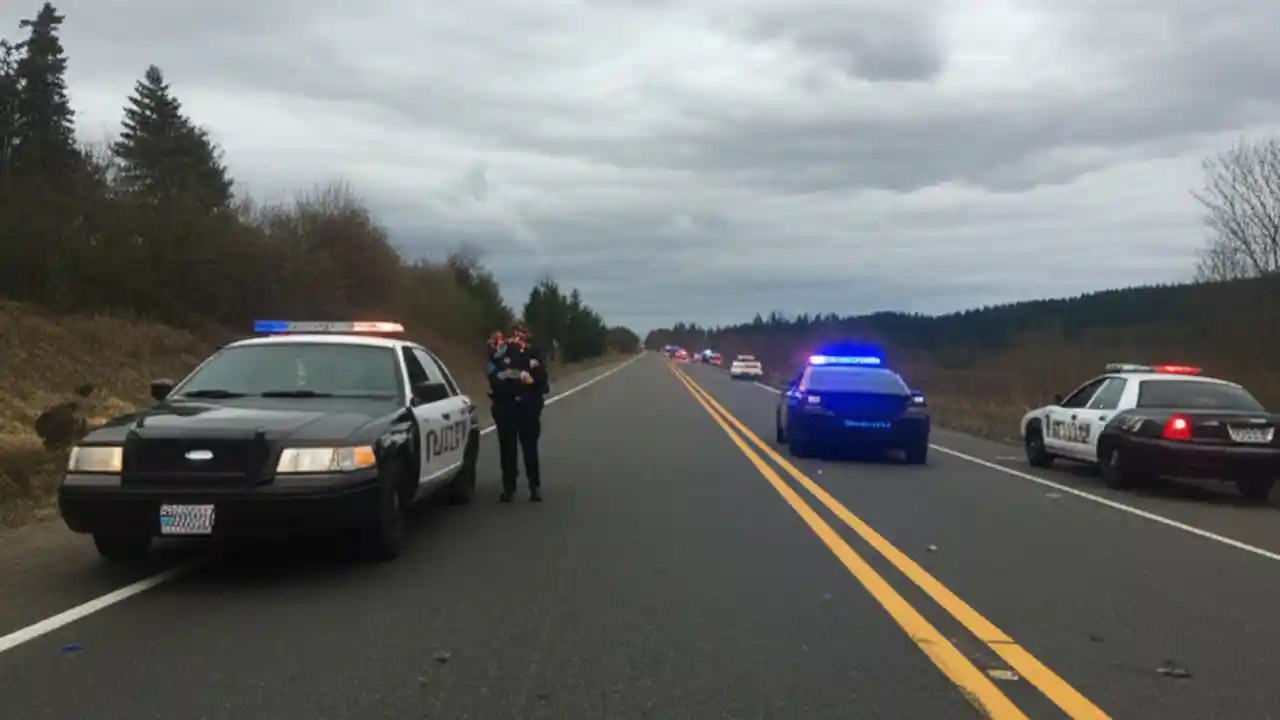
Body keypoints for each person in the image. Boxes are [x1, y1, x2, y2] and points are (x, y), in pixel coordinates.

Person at [487, 322, 549, 502]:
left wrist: (529, 377)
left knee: (530, 448)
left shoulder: (534, 353)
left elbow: (541, 379)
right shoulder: (498, 353)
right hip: (505, 406)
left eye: (523, 332)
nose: (519, 336)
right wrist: (517, 374)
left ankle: (534, 485)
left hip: (528, 407)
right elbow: (494, 377)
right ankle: (509, 487)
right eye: (516, 332)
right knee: (507, 449)